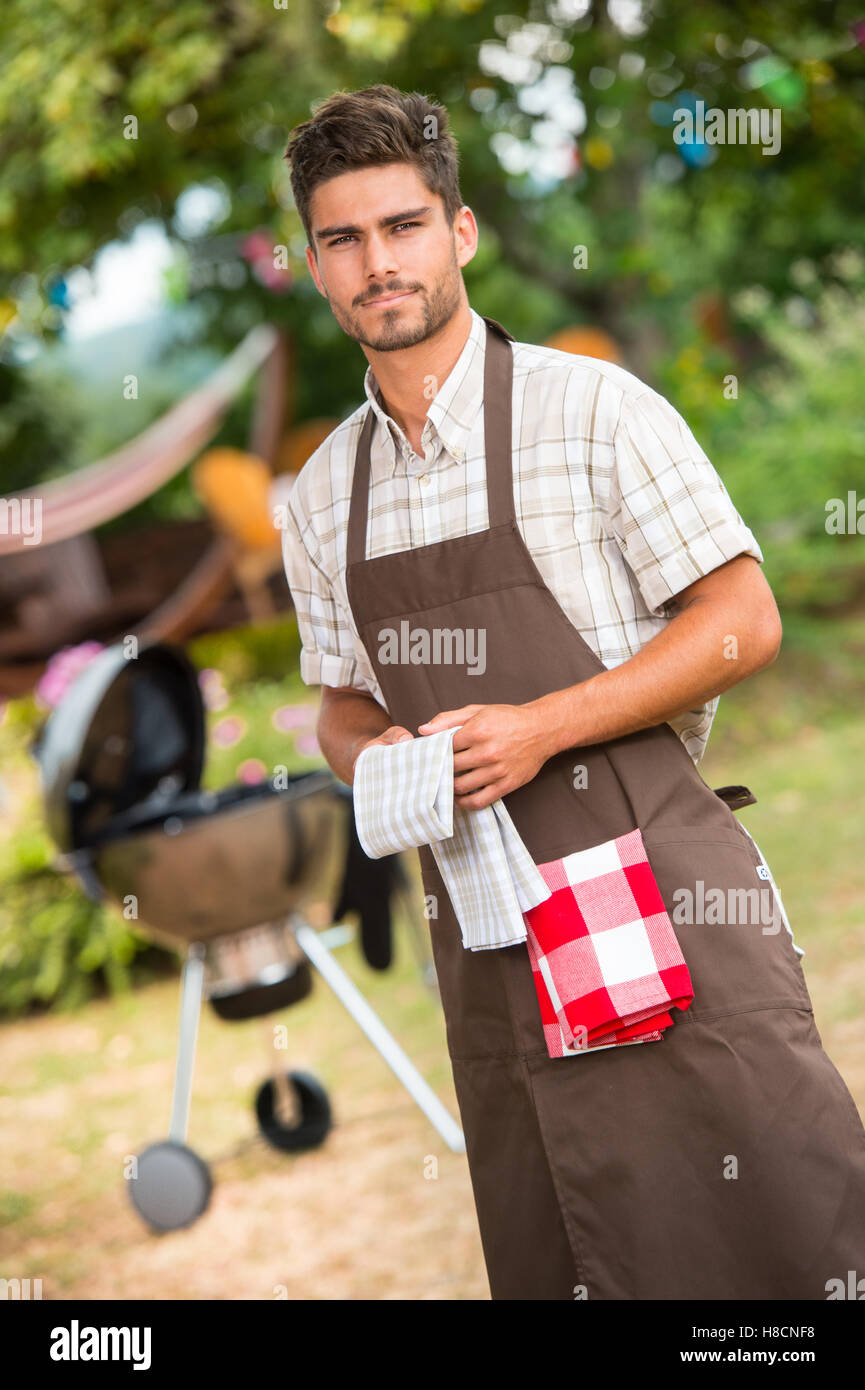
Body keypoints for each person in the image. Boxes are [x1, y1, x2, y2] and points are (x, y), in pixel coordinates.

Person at [280, 83, 865, 1300]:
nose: (376, 263)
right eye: (343, 238)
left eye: (400, 226)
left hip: (662, 891)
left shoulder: (589, 411)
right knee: (574, 1249)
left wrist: (538, 728)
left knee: (780, 1244)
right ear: (315, 263)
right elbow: (337, 702)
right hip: (492, 933)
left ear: (461, 232)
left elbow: (740, 619)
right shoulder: (321, 494)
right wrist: (390, 759)